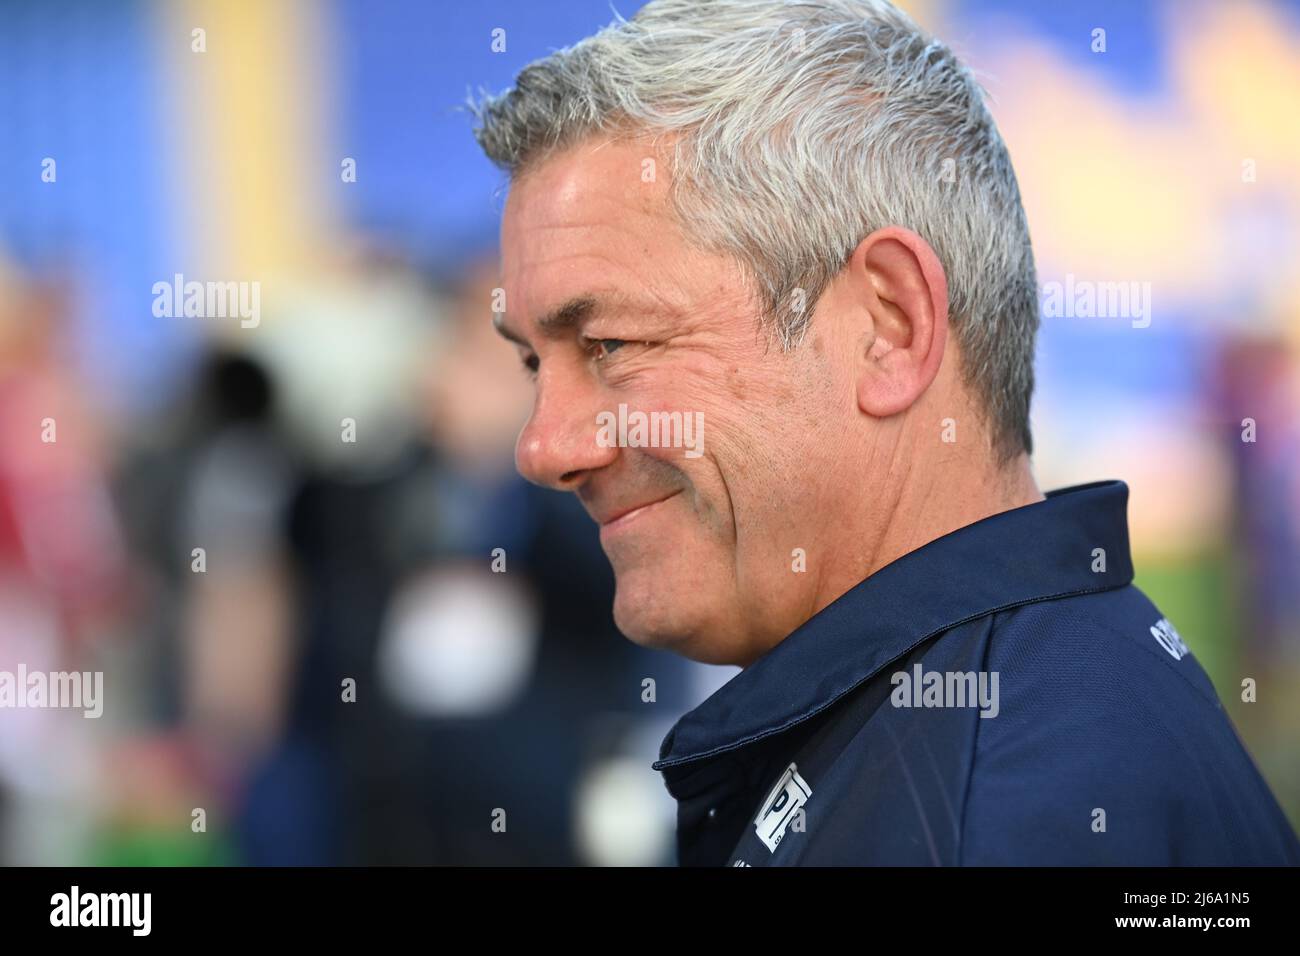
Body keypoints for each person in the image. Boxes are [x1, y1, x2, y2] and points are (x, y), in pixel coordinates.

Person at [469, 0, 1300, 865]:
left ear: (889, 328)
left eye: (612, 345)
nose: (544, 447)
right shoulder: (1011, 719)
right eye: (533, 363)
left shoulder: (1002, 806)